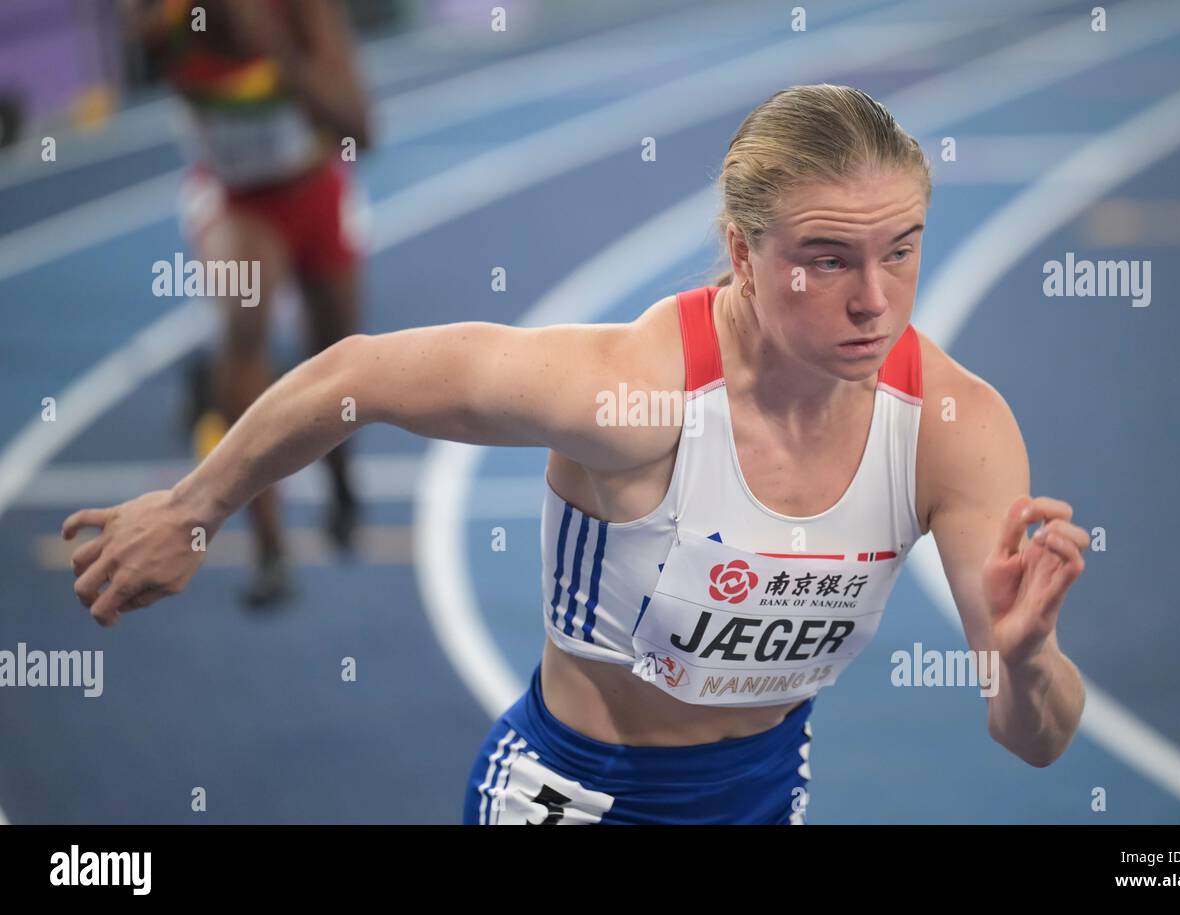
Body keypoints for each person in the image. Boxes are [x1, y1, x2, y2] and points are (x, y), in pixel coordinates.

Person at [63, 85, 1088, 825]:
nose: (874, 298)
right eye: (827, 259)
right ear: (740, 253)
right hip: (576, 799)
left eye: (900, 249)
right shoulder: (632, 396)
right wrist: (194, 507)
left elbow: (1030, 738)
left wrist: (1027, 657)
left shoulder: (951, 433)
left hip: (766, 799)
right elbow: (363, 373)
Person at [122, 0, 372, 606]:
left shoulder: (300, 12)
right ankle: (269, 547)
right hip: (236, 203)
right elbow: (144, 55)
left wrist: (278, 54)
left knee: (339, 358)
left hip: (315, 192)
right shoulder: (169, 20)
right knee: (242, 330)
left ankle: (340, 481)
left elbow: (362, 129)